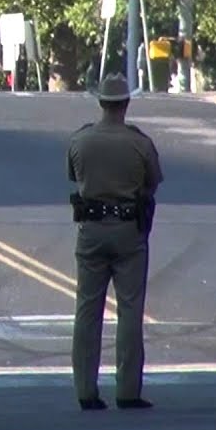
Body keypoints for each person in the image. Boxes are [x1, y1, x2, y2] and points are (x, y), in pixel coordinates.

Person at [66, 73, 162, 411]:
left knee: (87, 310)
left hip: (91, 229)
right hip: (127, 231)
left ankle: (85, 390)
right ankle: (128, 390)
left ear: (101, 102)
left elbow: (75, 177)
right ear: (126, 104)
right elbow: (152, 183)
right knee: (130, 310)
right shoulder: (140, 143)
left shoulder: (81, 141)